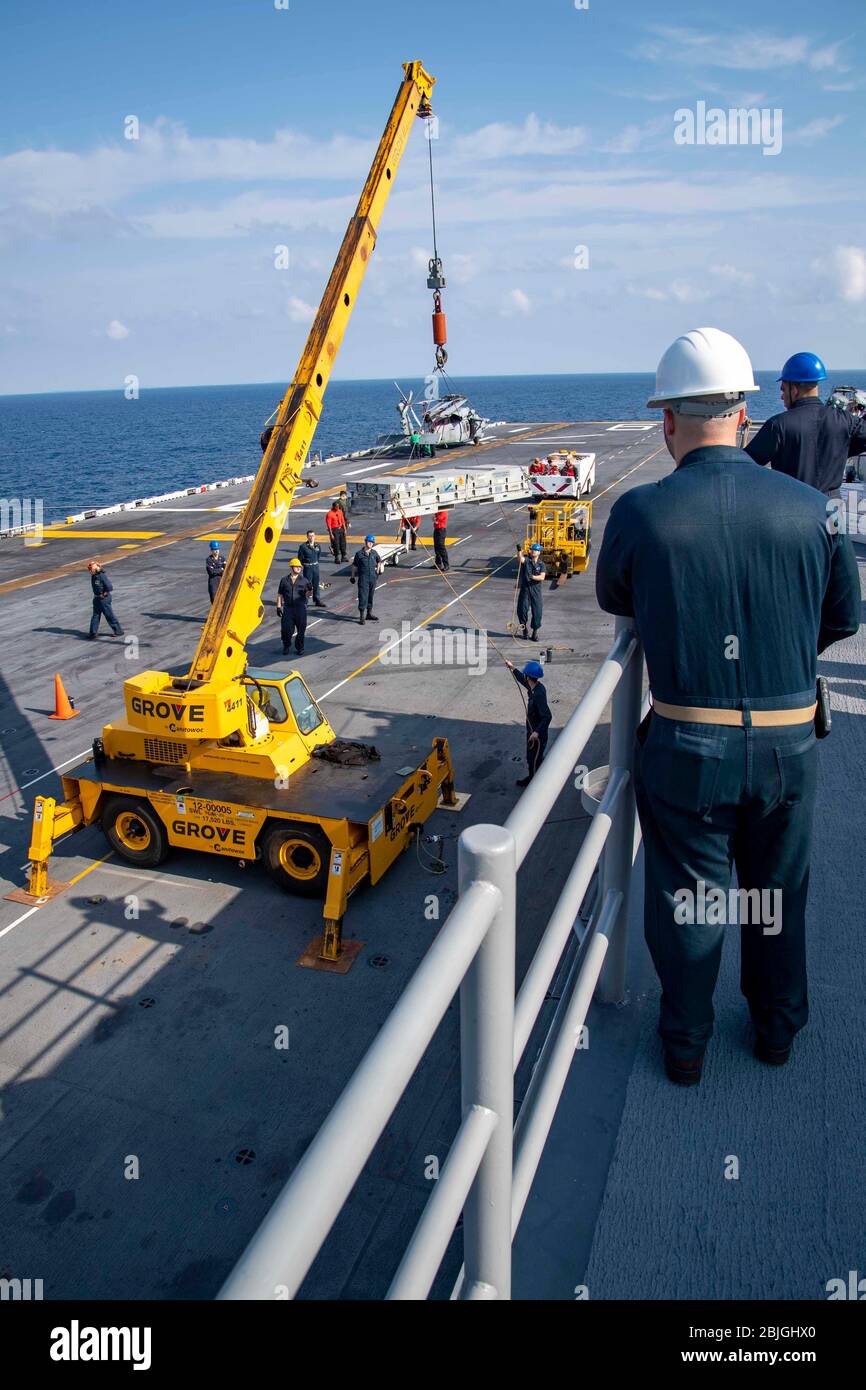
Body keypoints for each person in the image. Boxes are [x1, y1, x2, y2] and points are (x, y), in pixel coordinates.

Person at [596, 326, 860, 1088]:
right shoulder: (811, 509)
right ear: (743, 415)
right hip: (789, 747)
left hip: (686, 745)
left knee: (689, 900)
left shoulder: (642, 512)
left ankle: (685, 1048)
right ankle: (776, 1031)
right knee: (778, 894)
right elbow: (843, 617)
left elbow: (618, 596)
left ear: (668, 420)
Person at [745, 351, 866, 495]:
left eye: (783, 389)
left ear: (794, 390)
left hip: (795, 510)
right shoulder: (846, 421)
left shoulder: (778, 425)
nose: (782, 396)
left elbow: (745, 465)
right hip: (832, 511)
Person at [504, 659, 551, 786]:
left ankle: (535, 783)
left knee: (534, 759)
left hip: (537, 734)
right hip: (532, 731)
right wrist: (512, 668)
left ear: (528, 676)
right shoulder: (535, 687)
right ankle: (534, 778)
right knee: (533, 758)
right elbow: (523, 681)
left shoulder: (538, 694)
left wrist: (536, 732)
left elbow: (547, 716)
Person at [276, 558, 311, 656]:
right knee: (286, 630)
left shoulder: (304, 581)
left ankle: (300, 648)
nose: (299, 568)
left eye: (300, 567)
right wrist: (278, 607)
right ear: (291, 567)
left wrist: (310, 589)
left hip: (300, 609)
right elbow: (279, 594)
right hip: (288, 609)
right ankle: (286, 646)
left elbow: (308, 595)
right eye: (297, 566)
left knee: (301, 630)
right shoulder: (284, 580)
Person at [87, 561, 124, 639]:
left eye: (90, 569)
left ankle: (118, 631)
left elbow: (109, 586)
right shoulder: (94, 576)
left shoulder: (101, 576)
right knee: (95, 616)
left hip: (103, 599)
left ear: (94, 569)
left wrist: (104, 594)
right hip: (96, 599)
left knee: (109, 615)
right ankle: (93, 633)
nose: (89, 571)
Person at [516, 542, 545, 641]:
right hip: (525, 590)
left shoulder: (541, 564)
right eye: (532, 549)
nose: (533, 551)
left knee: (537, 612)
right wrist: (519, 550)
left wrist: (532, 577)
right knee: (522, 611)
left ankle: (535, 633)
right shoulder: (527, 561)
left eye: (535, 550)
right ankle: (524, 631)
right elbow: (520, 559)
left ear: (539, 552)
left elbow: (542, 577)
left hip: (536, 592)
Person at [351, 534, 383, 625]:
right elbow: (354, 565)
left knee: (370, 596)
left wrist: (378, 569)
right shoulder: (359, 554)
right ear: (365, 542)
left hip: (373, 578)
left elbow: (379, 561)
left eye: (372, 542)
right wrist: (352, 577)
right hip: (363, 579)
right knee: (363, 596)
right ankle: (362, 616)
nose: (371, 543)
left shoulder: (374, 553)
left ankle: (369, 614)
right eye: (369, 542)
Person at [298, 530, 325, 606]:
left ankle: (317, 600)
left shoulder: (317, 546)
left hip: (315, 567)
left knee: (316, 584)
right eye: (310, 536)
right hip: (308, 567)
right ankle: (305, 601)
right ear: (307, 537)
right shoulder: (303, 547)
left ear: (315, 536)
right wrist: (305, 564)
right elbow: (300, 558)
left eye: (313, 536)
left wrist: (315, 562)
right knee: (307, 584)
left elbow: (318, 555)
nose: (311, 537)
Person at [206, 540, 225, 604]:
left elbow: (226, 569)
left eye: (217, 549)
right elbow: (211, 572)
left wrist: (217, 570)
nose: (216, 551)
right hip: (213, 582)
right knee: (214, 599)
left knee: (223, 598)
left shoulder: (222, 558)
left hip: (221, 580)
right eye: (214, 549)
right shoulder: (209, 560)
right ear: (211, 550)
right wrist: (221, 570)